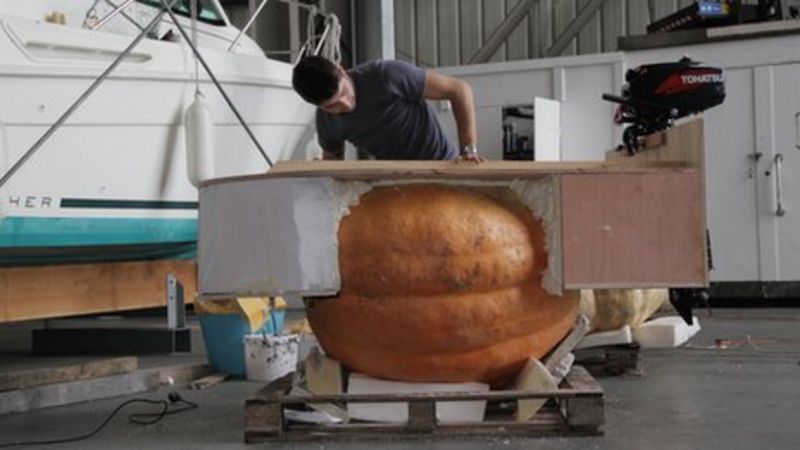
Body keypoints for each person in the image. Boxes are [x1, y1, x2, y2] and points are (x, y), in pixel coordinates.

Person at [292, 56, 482, 162]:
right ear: (319, 107)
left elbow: (459, 90)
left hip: (442, 163)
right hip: (394, 178)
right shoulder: (326, 122)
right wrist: (320, 174)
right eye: (332, 106)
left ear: (342, 71)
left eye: (344, 92)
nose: (346, 104)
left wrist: (468, 149)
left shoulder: (386, 75)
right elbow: (333, 164)